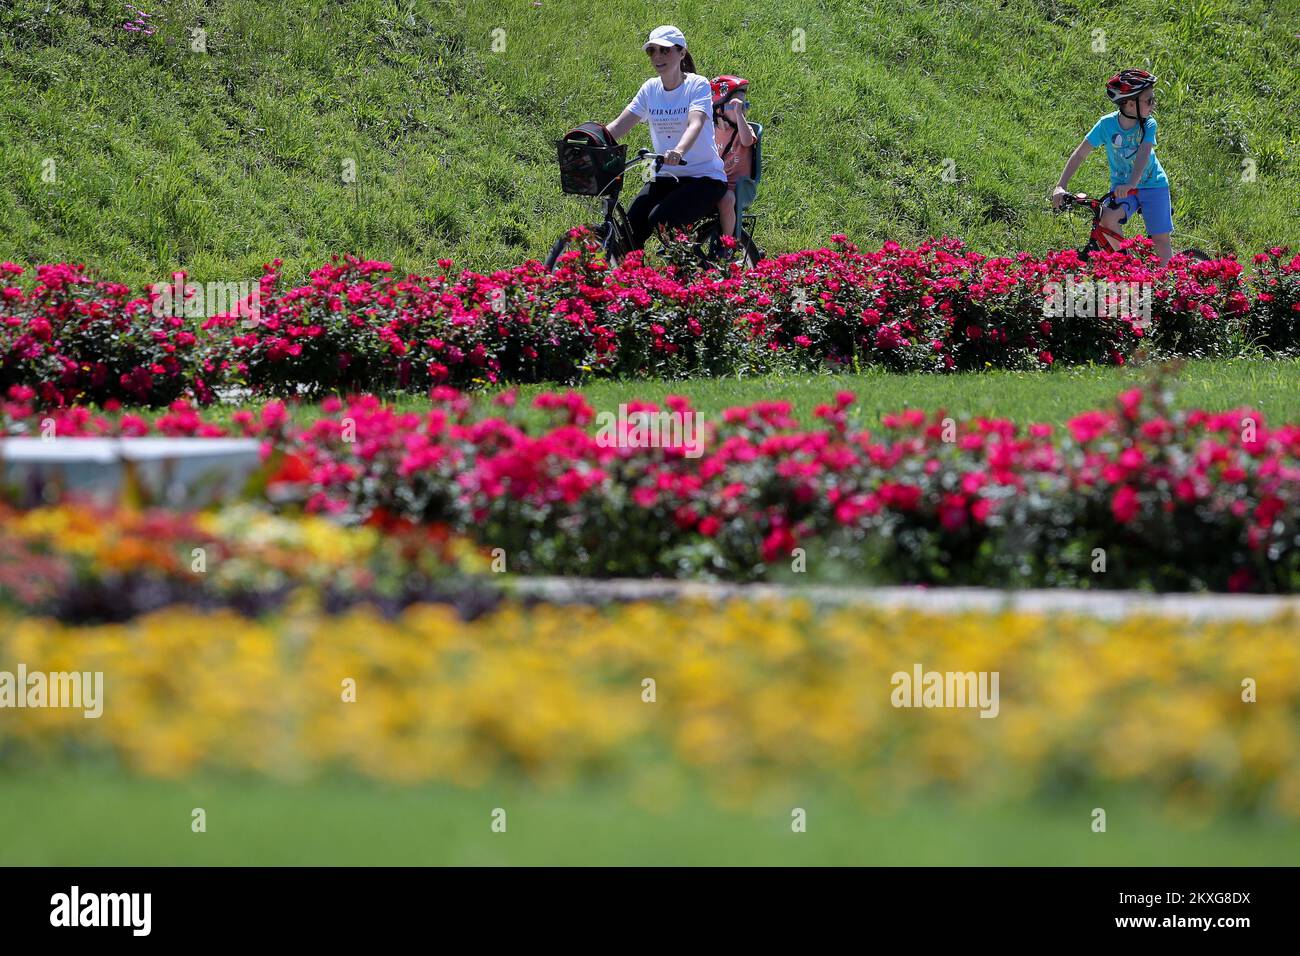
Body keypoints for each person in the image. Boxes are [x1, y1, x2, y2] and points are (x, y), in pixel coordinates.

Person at [604, 25, 728, 252]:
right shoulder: (650, 88)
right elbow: (619, 125)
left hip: (704, 178)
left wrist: (679, 150)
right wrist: (590, 139)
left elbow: (696, 123)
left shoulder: (697, 84)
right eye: (652, 51)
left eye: (665, 50)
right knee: (629, 231)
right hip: (665, 176)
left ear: (682, 53)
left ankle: (688, 272)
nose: (657, 56)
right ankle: (632, 283)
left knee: (660, 218)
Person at [1051, 69, 1174, 264]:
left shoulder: (1148, 124)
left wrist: (1132, 183)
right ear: (1131, 104)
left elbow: (1143, 155)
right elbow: (1080, 154)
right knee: (1107, 221)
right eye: (1149, 100)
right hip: (1122, 188)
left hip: (1154, 185)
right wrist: (1061, 185)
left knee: (1160, 239)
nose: (1154, 104)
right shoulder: (1106, 125)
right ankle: (1127, 266)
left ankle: (1170, 284)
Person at [711, 75, 756, 239]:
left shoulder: (743, 128)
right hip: (716, 181)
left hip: (738, 188)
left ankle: (727, 242)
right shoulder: (713, 130)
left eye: (744, 105)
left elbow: (747, 140)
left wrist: (739, 115)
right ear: (719, 109)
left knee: (727, 199)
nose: (742, 108)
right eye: (735, 105)